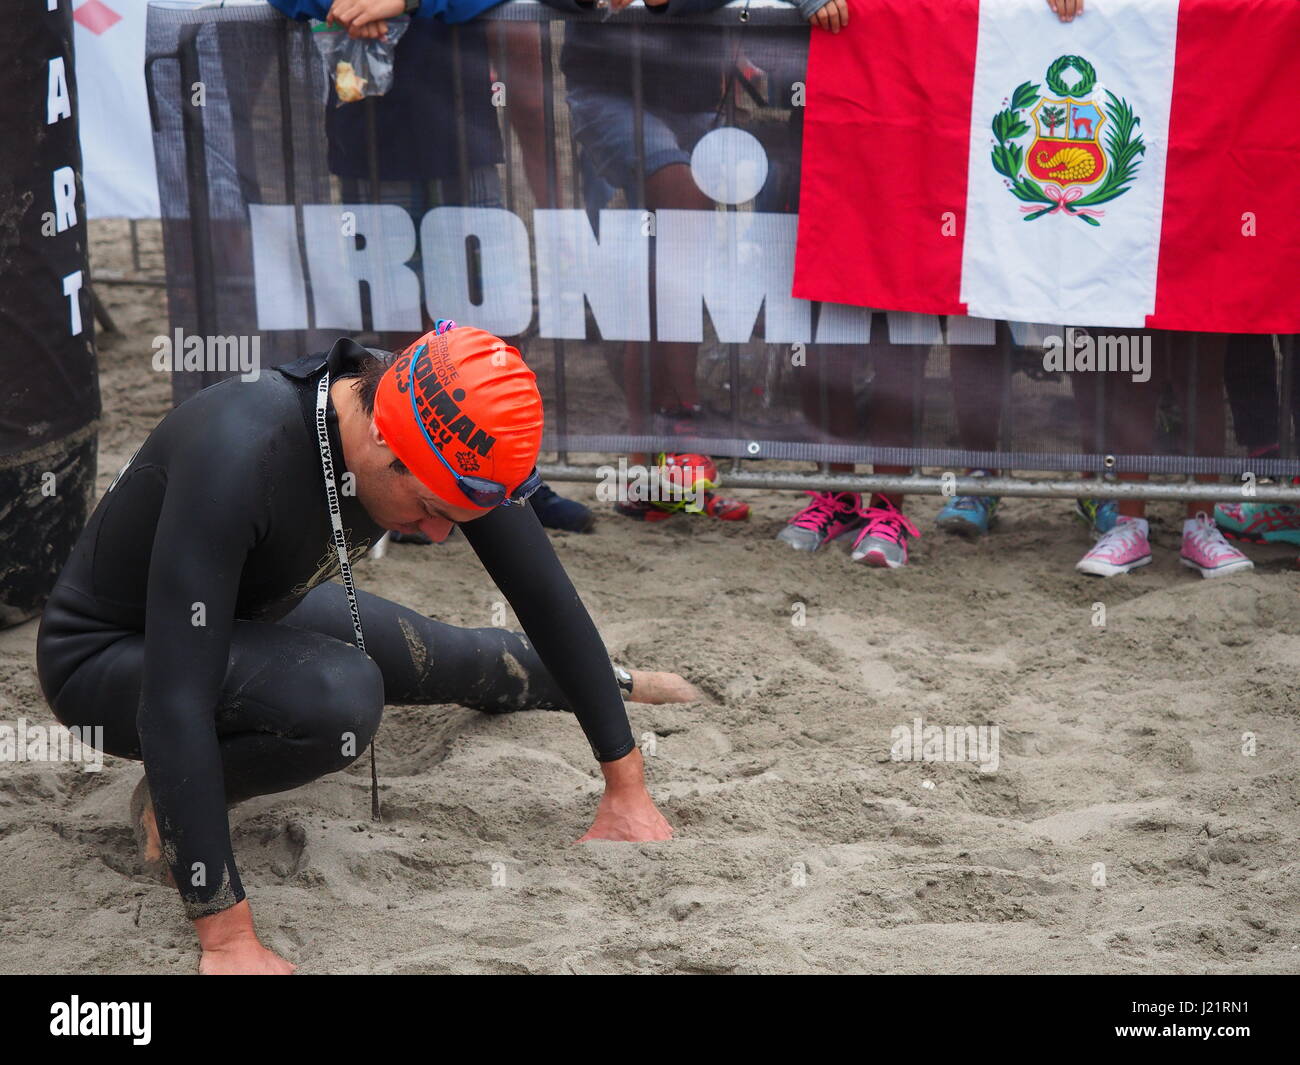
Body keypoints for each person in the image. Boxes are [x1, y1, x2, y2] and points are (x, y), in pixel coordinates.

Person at [35, 324, 696, 974]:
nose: (439, 535)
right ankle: (179, 794)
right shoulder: (240, 447)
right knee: (342, 698)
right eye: (432, 507)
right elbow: (177, 697)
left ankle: (625, 679)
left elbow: (547, 598)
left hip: (254, 612)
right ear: (384, 437)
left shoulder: (447, 421)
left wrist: (625, 785)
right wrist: (227, 938)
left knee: (446, 656)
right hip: (112, 654)